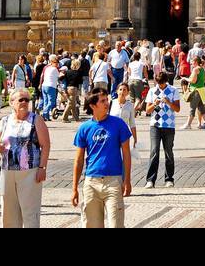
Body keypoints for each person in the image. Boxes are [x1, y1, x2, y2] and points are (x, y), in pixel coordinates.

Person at [72, 89, 133, 228]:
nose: (107, 103)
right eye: (102, 101)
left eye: (107, 100)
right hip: (91, 182)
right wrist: (74, 188)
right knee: (91, 225)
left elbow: (126, 154)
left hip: (114, 181)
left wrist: (127, 180)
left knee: (116, 225)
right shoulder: (84, 128)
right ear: (93, 106)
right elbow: (79, 160)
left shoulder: (119, 124)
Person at [0, 88, 50, 228]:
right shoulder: (5, 121)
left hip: (30, 172)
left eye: (27, 99)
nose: (25, 102)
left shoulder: (36, 119)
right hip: (7, 171)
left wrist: (42, 168)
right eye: (21, 100)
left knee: (30, 212)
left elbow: (45, 145)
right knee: (8, 213)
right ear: (12, 103)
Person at [144, 71, 182, 188]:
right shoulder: (152, 91)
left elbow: (177, 109)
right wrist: (155, 104)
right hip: (155, 125)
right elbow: (147, 110)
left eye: (162, 83)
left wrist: (168, 102)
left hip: (169, 126)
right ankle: (150, 180)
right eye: (158, 83)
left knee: (168, 152)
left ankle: (169, 179)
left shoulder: (173, 90)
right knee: (154, 152)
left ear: (166, 81)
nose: (160, 85)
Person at [111, 83, 139, 150]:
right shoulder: (111, 103)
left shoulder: (130, 105)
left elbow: (132, 124)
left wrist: (135, 139)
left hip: (124, 134)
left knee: (124, 155)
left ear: (128, 93)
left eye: (124, 90)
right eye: (120, 89)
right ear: (117, 91)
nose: (122, 92)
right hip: (112, 134)